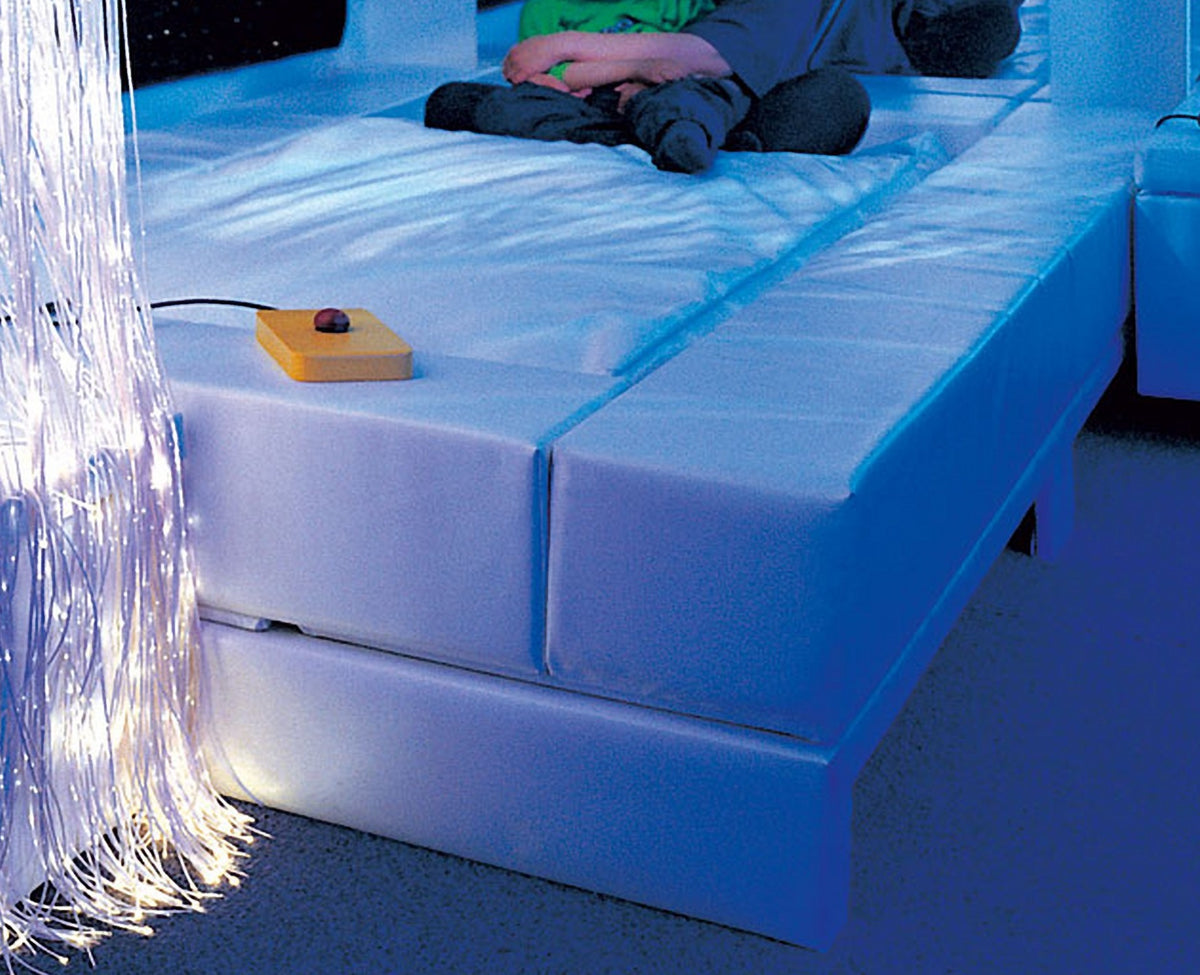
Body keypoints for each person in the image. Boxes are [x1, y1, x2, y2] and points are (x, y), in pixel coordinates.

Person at [424, 0, 872, 174]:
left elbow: (711, 58)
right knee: (457, 101)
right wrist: (633, 68)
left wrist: (638, 73)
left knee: (834, 96)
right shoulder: (545, 9)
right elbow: (544, 76)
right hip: (596, 105)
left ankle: (684, 131)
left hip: (679, 92)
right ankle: (685, 139)